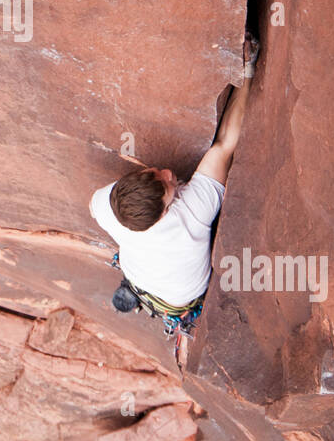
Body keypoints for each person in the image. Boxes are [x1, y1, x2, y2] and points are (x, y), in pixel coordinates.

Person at [90, 36, 258, 325]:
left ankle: (135, 292)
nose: (168, 173)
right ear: (165, 213)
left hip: (144, 274)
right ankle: (142, 295)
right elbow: (224, 145)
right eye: (170, 189)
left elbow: (94, 208)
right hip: (180, 299)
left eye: (155, 173)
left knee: (139, 269)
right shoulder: (191, 213)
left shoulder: (107, 204)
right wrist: (248, 71)